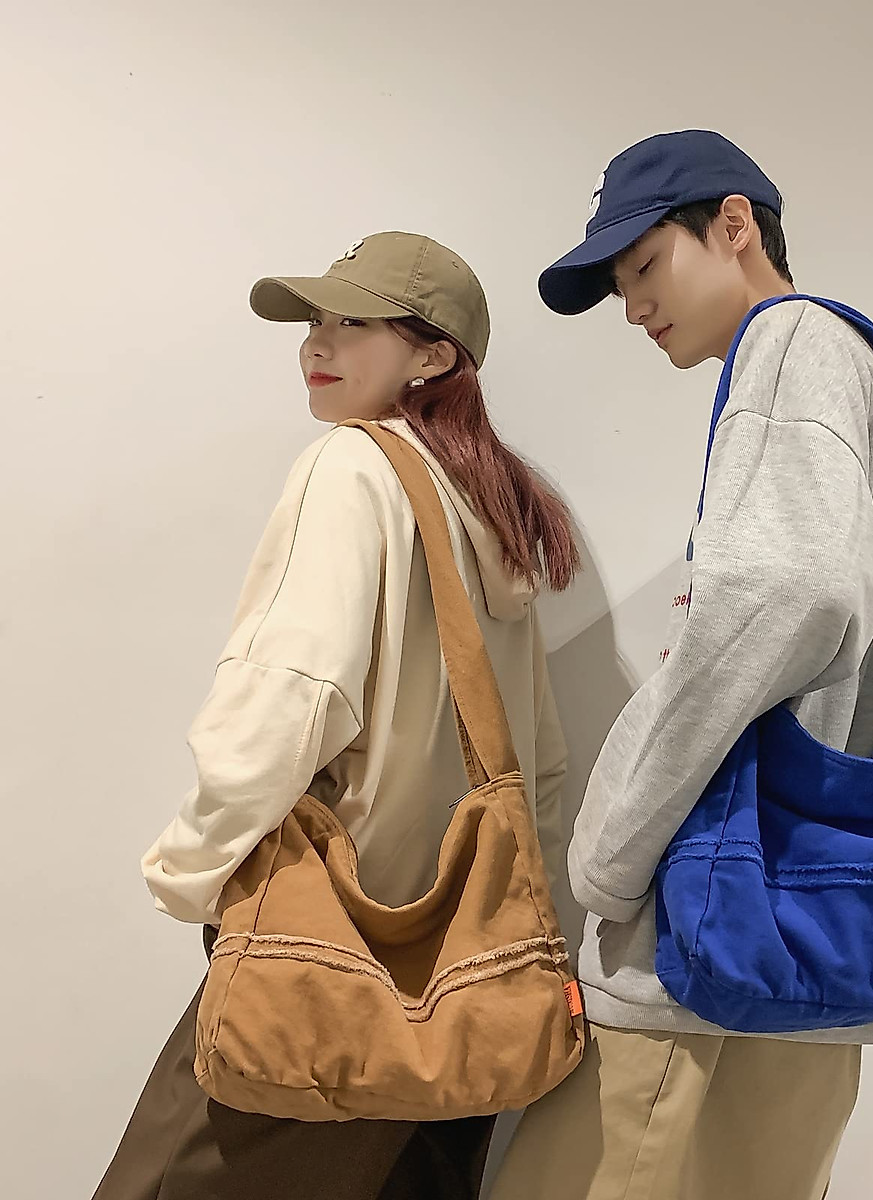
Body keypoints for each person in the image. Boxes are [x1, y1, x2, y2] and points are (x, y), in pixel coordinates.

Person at [93, 230, 579, 1200]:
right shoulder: (486, 504)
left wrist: (190, 870)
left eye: (353, 323)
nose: (317, 343)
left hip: (324, 964)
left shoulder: (352, 467)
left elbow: (287, 699)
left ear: (433, 355)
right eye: (315, 321)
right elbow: (541, 763)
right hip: (462, 995)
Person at [491, 130, 873, 1200]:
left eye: (645, 266)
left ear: (736, 226)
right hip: (813, 935)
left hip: (708, 935)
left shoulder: (789, 339)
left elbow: (789, 591)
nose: (633, 308)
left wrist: (613, 848)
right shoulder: (849, 362)